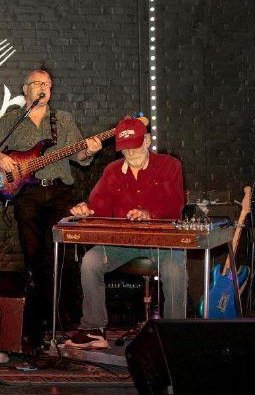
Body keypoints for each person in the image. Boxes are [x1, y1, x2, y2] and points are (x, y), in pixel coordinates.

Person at [0, 68, 102, 331]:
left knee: (60, 255)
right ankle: (37, 318)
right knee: (33, 255)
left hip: (60, 193)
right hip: (28, 194)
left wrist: (90, 151)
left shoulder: (62, 120)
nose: (43, 88)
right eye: (38, 83)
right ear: (25, 90)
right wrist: (1, 158)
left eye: (48, 84)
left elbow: (80, 157)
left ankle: (62, 318)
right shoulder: (11, 119)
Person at [65, 117, 185, 349]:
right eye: (125, 149)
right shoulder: (111, 171)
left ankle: (173, 335)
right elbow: (98, 207)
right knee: (91, 261)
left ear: (148, 140)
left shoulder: (170, 165)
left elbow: (175, 206)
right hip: (123, 242)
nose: (131, 153)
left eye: (136, 146)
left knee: (174, 269)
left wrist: (148, 213)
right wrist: (86, 210)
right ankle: (94, 329)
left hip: (161, 241)